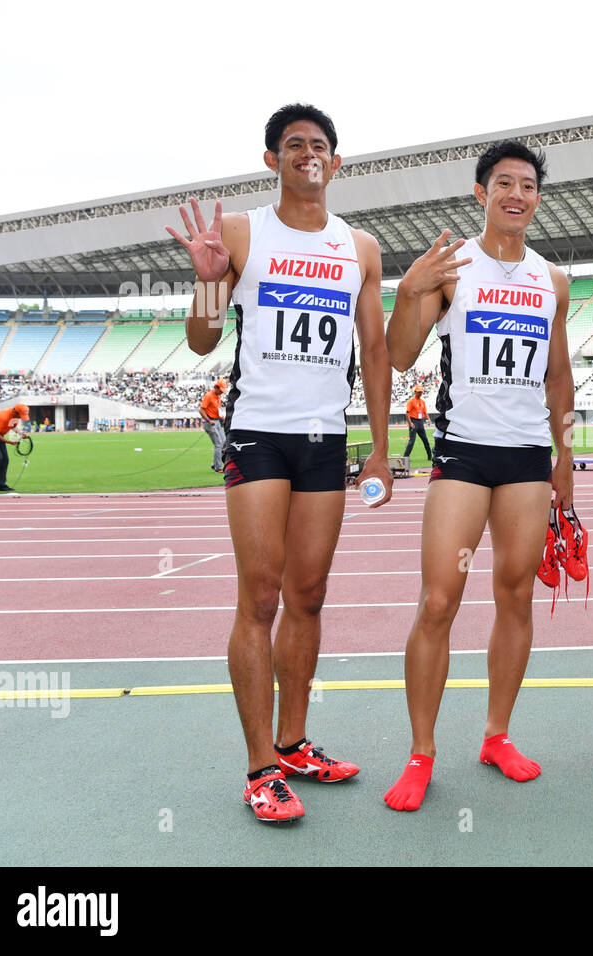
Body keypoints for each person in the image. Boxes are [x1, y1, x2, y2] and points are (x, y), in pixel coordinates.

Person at [167, 103, 394, 823]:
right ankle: (260, 766)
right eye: (293, 144)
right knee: (259, 597)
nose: (307, 153)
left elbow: (377, 350)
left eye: (318, 144)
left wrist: (382, 447)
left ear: (336, 160)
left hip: (325, 436)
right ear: (272, 160)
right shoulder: (242, 232)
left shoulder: (359, 246)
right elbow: (204, 341)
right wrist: (207, 278)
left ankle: (294, 742)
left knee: (309, 596)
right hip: (259, 431)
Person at [382, 140, 574, 811]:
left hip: (526, 458)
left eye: (526, 185)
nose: (515, 194)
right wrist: (411, 288)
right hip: (463, 452)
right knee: (439, 601)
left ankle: (497, 736)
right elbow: (401, 352)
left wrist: (566, 459)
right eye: (503, 184)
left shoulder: (552, 281)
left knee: (516, 596)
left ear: (537, 198)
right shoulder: (453, 267)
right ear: (480, 193)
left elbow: (557, 375)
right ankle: (421, 752)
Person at [0, 403, 28, 492]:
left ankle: (2, 485)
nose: (20, 418)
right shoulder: (3, 417)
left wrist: (21, 433)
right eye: (20, 415)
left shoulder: (15, 417)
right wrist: (8, 442)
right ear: (14, 411)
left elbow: (13, 427)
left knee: (5, 459)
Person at [199, 379, 227, 473]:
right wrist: (208, 420)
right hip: (210, 423)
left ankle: (214, 464)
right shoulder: (209, 396)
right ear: (216, 387)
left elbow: (218, 410)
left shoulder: (218, 397)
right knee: (218, 444)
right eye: (221, 390)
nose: (222, 393)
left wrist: (223, 418)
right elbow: (201, 410)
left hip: (217, 422)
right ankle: (218, 467)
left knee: (223, 443)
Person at [403, 384, 431, 461]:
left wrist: (428, 419)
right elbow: (407, 413)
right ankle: (405, 457)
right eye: (418, 392)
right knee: (412, 441)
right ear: (415, 392)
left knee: (425, 440)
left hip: (420, 422)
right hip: (413, 422)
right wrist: (410, 423)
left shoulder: (422, 402)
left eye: (421, 392)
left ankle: (430, 457)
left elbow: (425, 412)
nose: (420, 393)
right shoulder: (411, 401)